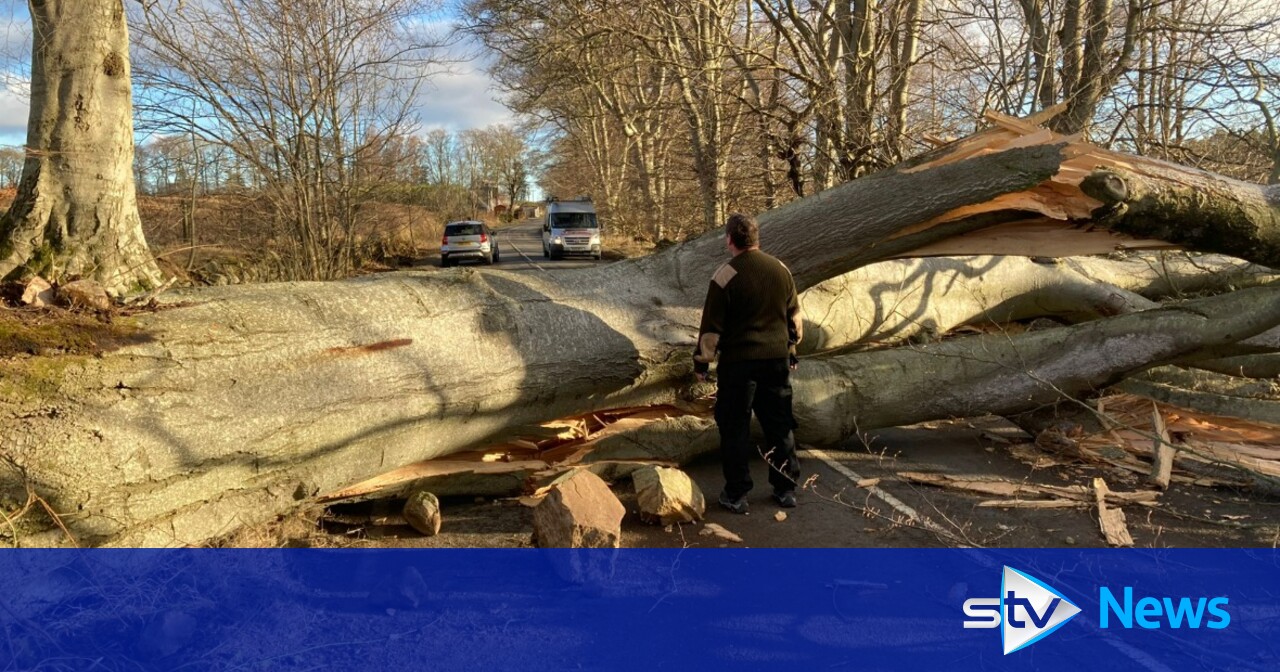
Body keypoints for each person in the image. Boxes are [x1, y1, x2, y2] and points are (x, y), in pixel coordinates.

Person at [693, 212, 802, 514]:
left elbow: (711, 329)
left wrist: (702, 364)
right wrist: (791, 351)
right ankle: (785, 488)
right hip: (776, 361)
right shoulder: (781, 270)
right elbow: (794, 317)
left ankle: (737, 493)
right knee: (779, 426)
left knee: (734, 427)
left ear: (729, 239)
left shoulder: (725, 276)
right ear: (757, 238)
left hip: (739, 365)